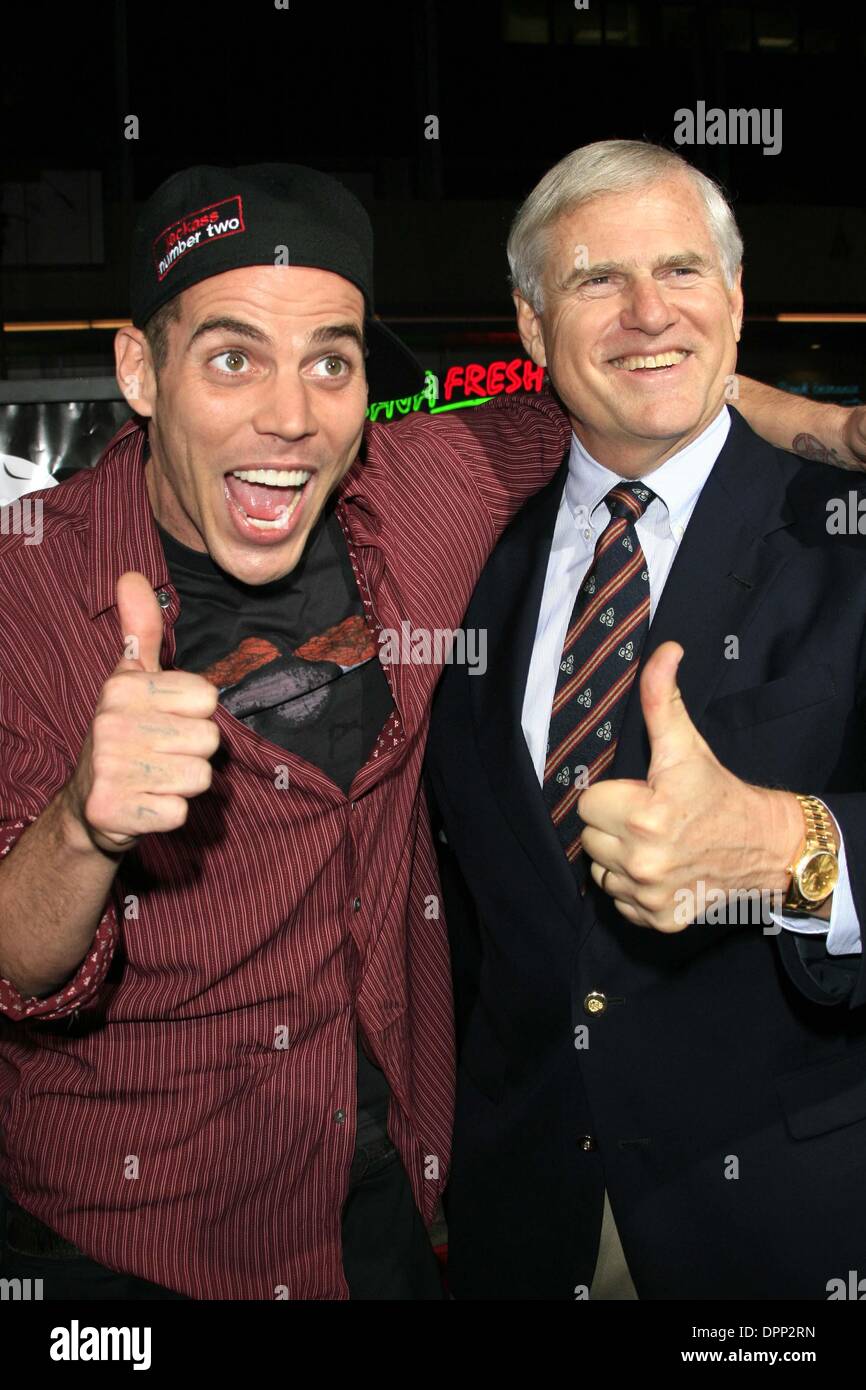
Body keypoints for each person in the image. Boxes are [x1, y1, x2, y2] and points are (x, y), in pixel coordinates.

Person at [0, 159, 861, 1302]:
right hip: (132, 1247)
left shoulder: (430, 490)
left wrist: (791, 853)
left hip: (482, 1222)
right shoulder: (27, 579)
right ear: (137, 368)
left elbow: (640, 374)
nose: (288, 414)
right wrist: (84, 828)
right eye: (230, 357)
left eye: (330, 362)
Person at [425, 138, 866, 1300]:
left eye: (678, 271)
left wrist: (788, 851)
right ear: (529, 326)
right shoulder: (473, 559)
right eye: (593, 280)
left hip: (794, 1231)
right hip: (527, 1221)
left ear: (731, 299)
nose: (643, 313)